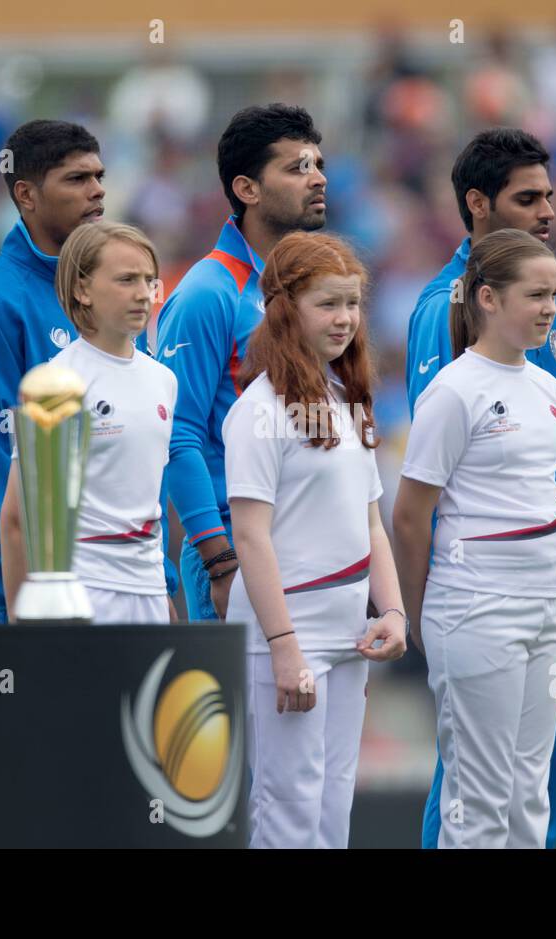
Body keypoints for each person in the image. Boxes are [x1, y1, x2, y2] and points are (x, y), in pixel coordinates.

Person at [405, 128, 556, 848]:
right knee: (472, 787)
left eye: (550, 194)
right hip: (480, 591)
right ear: (478, 204)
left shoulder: (539, 309)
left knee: (531, 785)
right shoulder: (448, 309)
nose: (549, 209)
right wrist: (423, 609)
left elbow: (549, 461)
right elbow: (430, 484)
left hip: (545, 577)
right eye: (529, 198)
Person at [223, 232, 406, 848]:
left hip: (348, 636)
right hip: (288, 635)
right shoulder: (257, 410)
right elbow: (249, 537)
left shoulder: (345, 400)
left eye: (352, 304)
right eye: (328, 304)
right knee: (287, 810)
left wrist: (395, 610)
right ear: (285, 308)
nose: (345, 319)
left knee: (331, 812)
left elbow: (371, 520)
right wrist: (282, 647)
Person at [394, 229, 556, 848]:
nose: (550, 308)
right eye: (536, 295)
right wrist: (418, 617)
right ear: (488, 299)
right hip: (475, 605)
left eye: (554, 294)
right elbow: (411, 515)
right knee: (478, 799)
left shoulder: (551, 390)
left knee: (531, 794)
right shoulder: (453, 390)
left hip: (547, 603)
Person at [0, 119, 126, 625]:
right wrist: (13, 596)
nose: (98, 191)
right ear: (26, 194)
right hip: (31, 601)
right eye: (76, 179)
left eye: (99, 176)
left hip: (124, 585)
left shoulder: (110, 292)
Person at [149, 104, 326, 621]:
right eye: (297, 168)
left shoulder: (321, 288)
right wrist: (219, 561)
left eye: (318, 165)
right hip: (238, 551)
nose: (317, 179)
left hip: (315, 546)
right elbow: (178, 436)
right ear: (247, 189)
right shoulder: (207, 292)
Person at [0, 223, 177, 624]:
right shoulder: (58, 383)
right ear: (82, 289)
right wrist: (21, 625)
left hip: (148, 595)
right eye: (126, 280)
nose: (142, 293)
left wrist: (158, 590)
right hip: (83, 594)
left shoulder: (164, 380)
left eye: (149, 280)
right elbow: (16, 518)